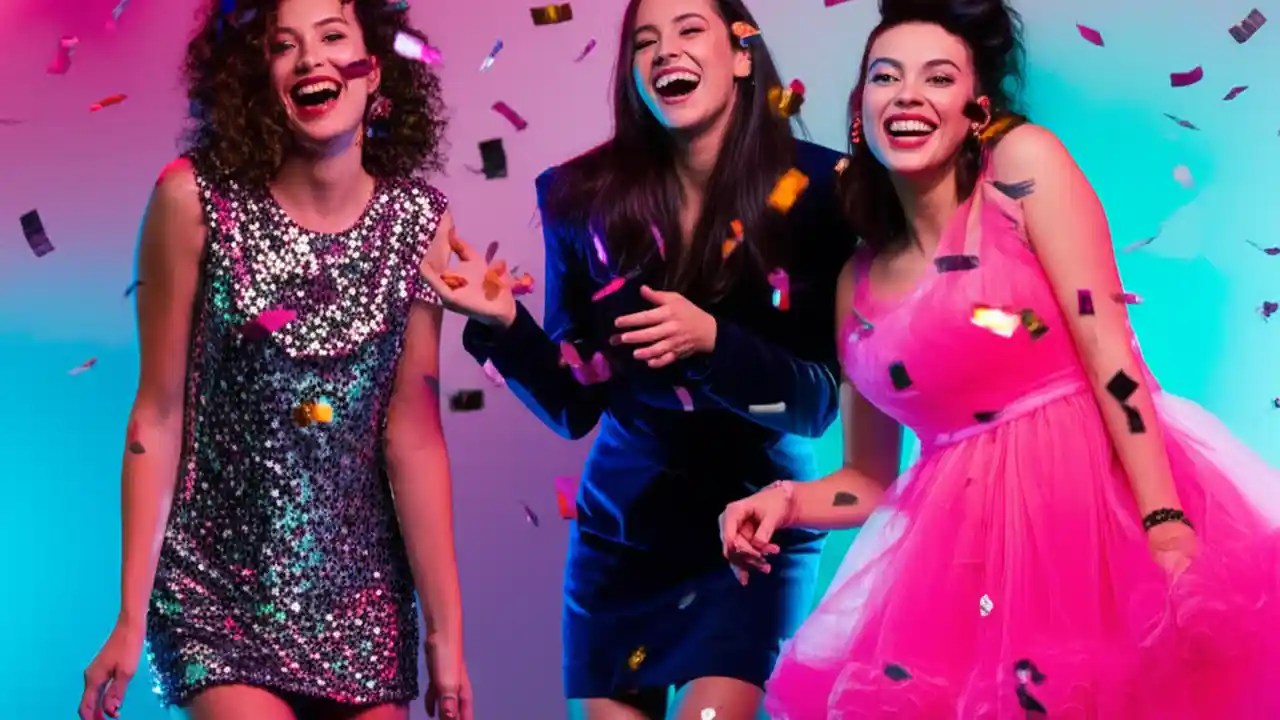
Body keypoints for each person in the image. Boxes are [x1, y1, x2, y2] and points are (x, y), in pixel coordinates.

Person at [719, 0, 1280, 716]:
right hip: (965, 565)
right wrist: (786, 500)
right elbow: (868, 479)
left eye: (938, 78)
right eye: (886, 77)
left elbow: (1108, 347)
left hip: (1096, 513)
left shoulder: (1021, 168)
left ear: (976, 110)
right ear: (861, 110)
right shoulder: (855, 282)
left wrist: (1164, 520)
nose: (909, 95)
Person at [419, 0, 853, 716]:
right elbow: (574, 403)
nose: (665, 52)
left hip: (753, 530)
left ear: (742, 54)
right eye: (645, 42)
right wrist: (504, 323)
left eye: (689, 30)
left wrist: (712, 342)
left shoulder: (820, 191)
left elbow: (816, 407)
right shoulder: (580, 196)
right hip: (623, 532)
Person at [77, 1, 473, 719]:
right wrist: (130, 617)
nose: (311, 58)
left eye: (332, 36)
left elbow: (414, 438)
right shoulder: (192, 200)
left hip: (361, 601)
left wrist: (445, 636)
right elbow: (158, 416)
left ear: (375, 72)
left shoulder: (421, 223)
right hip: (215, 591)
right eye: (284, 46)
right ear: (260, 79)